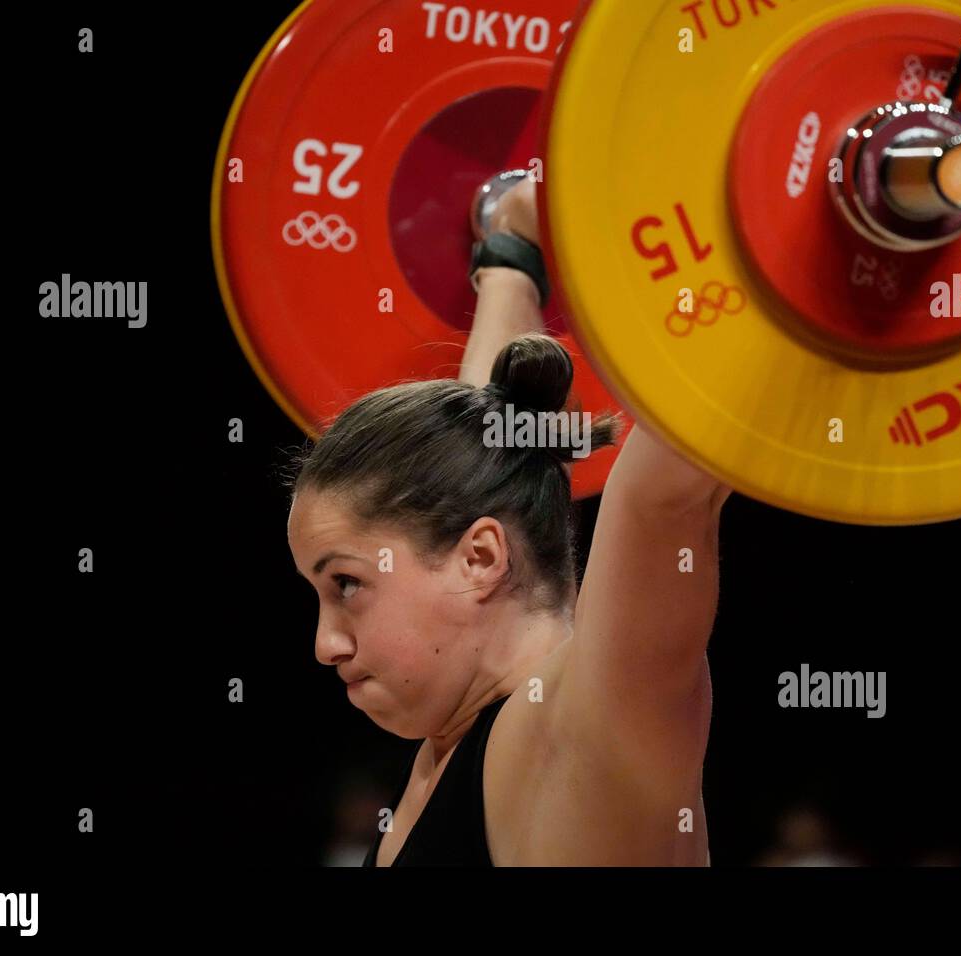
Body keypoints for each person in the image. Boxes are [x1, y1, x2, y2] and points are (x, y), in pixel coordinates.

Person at [286, 175, 731, 865]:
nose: (325, 645)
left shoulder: (585, 729)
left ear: (482, 559)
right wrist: (511, 251)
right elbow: (492, 438)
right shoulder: (449, 753)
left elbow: (665, 487)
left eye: (345, 585)